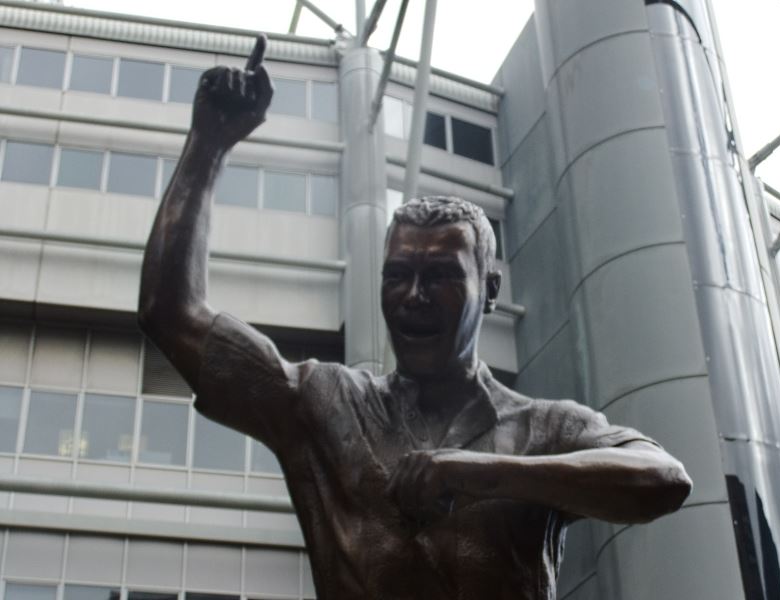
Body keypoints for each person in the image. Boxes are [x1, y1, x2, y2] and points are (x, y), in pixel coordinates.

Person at [138, 35, 692, 600]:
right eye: (397, 275)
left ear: (490, 290)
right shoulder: (325, 402)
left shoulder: (545, 429)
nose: (415, 295)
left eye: (442, 277)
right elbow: (171, 313)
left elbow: (664, 479)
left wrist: (484, 473)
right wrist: (208, 144)